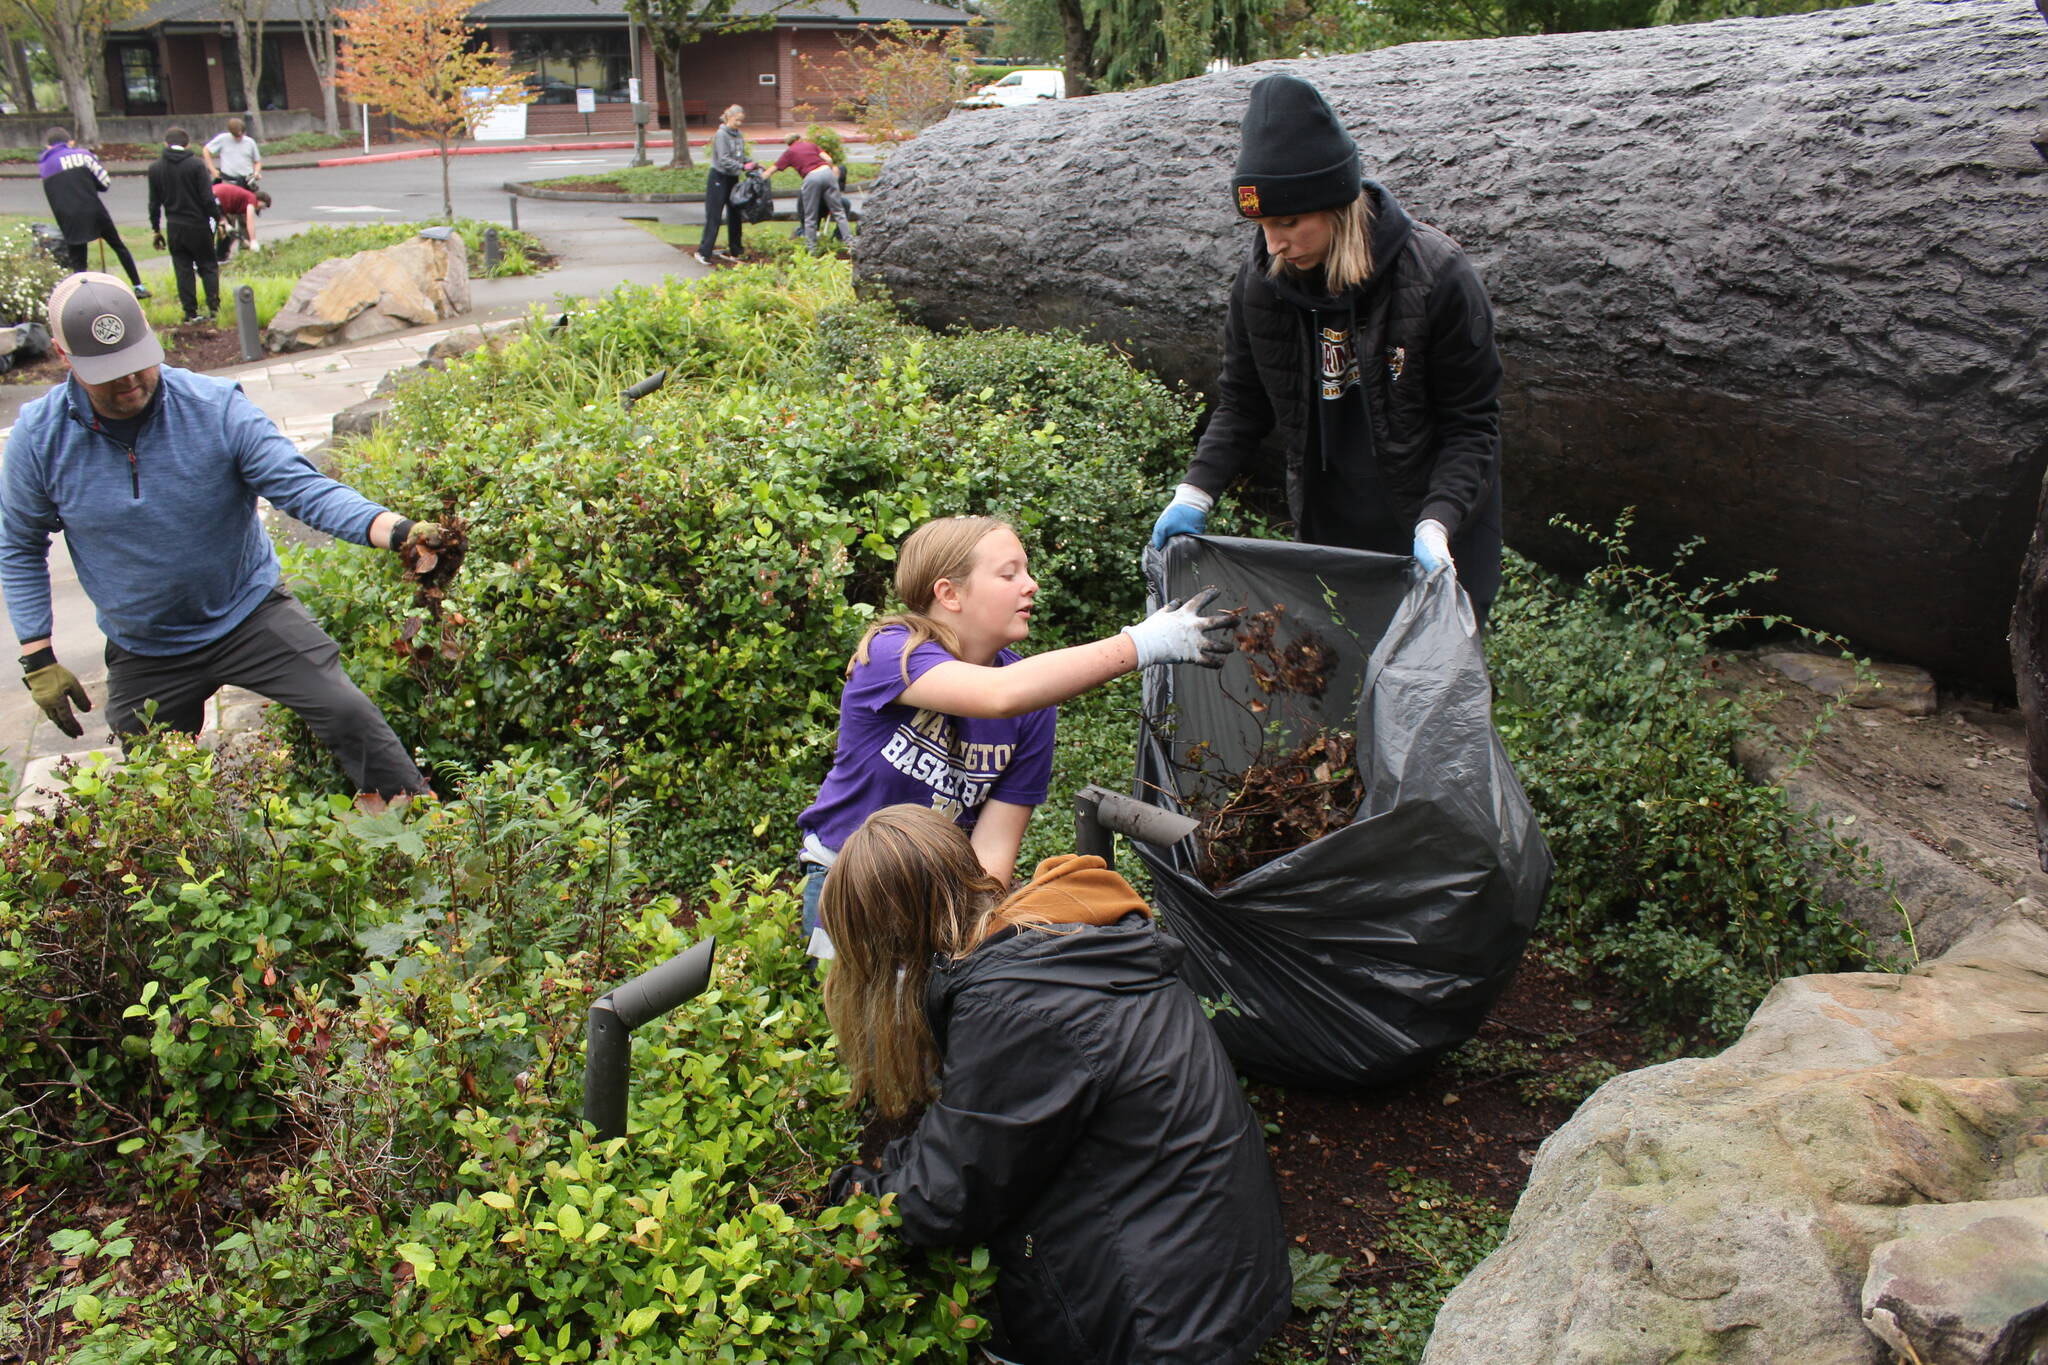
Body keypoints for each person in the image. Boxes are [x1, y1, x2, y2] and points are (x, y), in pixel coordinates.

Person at [820, 805, 1293, 1365]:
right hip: (1222, 1274)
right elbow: (977, 1131)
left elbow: (946, 1196)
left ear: (894, 937)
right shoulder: (1055, 936)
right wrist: (900, 1163)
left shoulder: (1015, 1005)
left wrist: (849, 1197)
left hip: (1162, 1328)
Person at [0, 273, 448, 812]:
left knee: (347, 711)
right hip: (146, 646)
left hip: (249, 614)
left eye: (138, 361)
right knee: (155, 784)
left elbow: (301, 487)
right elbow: (20, 546)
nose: (131, 381)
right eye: (109, 373)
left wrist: (397, 531)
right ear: (63, 356)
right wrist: (37, 654)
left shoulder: (214, 408)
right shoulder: (40, 439)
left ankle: (426, 827)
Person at [795, 515, 1236, 958]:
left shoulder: (1034, 706)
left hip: (939, 901)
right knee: (857, 1005)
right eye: (1009, 574)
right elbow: (999, 694)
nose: (1031, 585)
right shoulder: (891, 652)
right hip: (850, 883)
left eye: (1027, 570)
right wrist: (1142, 644)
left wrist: (969, 940)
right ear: (949, 594)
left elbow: (992, 851)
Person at [1151, 73, 1506, 624]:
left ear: (1336, 205)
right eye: (1261, 225)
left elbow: (1472, 424)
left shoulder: (1437, 276)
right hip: (1334, 542)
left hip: (1437, 530)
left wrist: (1437, 523)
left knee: (1428, 676)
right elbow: (1243, 404)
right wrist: (1195, 491)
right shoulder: (1263, 283)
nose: (1274, 244)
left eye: (1288, 222)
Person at [36, 128, 149, 297]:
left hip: (68, 218)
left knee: (78, 261)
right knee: (118, 246)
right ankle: (138, 286)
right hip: (94, 211)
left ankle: (84, 296)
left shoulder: (44, 166)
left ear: (48, 146)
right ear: (70, 142)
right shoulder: (84, 155)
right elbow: (105, 183)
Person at [145, 128, 220, 325]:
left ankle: (190, 313)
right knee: (208, 266)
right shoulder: (196, 165)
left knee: (182, 269)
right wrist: (217, 218)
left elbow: (154, 203)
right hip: (198, 224)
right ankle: (214, 308)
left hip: (174, 226)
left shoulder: (155, 168)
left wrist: (156, 229)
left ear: (165, 144)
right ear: (187, 144)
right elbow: (207, 198)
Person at [694, 105, 756, 267]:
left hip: (733, 177)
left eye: (741, 121)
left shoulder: (738, 134)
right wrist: (742, 166)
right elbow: (723, 159)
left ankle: (736, 250)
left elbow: (740, 155)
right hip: (719, 177)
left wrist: (750, 162)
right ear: (729, 117)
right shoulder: (721, 134)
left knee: (735, 214)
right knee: (714, 215)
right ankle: (704, 251)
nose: (739, 124)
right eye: (737, 120)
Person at [796, 158, 853, 254]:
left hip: (828, 202)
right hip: (811, 203)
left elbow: (839, 191)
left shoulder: (841, 171)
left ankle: (839, 237)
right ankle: (801, 233)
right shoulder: (815, 175)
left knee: (845, 204)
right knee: (810, 231)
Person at [212, 181, 270, 260]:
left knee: (226, 230)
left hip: (215, 198)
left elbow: (222, 213)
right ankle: (214, 256)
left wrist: (225, 223)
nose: (262, 209)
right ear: (260, 200)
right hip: (215, 197)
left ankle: (220, 256)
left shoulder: (243, 200)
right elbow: (250, 221)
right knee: (213, 230)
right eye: (263, 206)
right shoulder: (252, 198)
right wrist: (253, 241)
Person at [202, 117, 262, 188]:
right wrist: (212, 170)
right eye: (236, 136)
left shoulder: (250, 142)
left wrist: (256, 172)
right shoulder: (223, 139)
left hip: (246, 180)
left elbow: (257, 162)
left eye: (241, 135)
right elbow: (206, 150)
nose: (239, 138)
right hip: (228, 180)